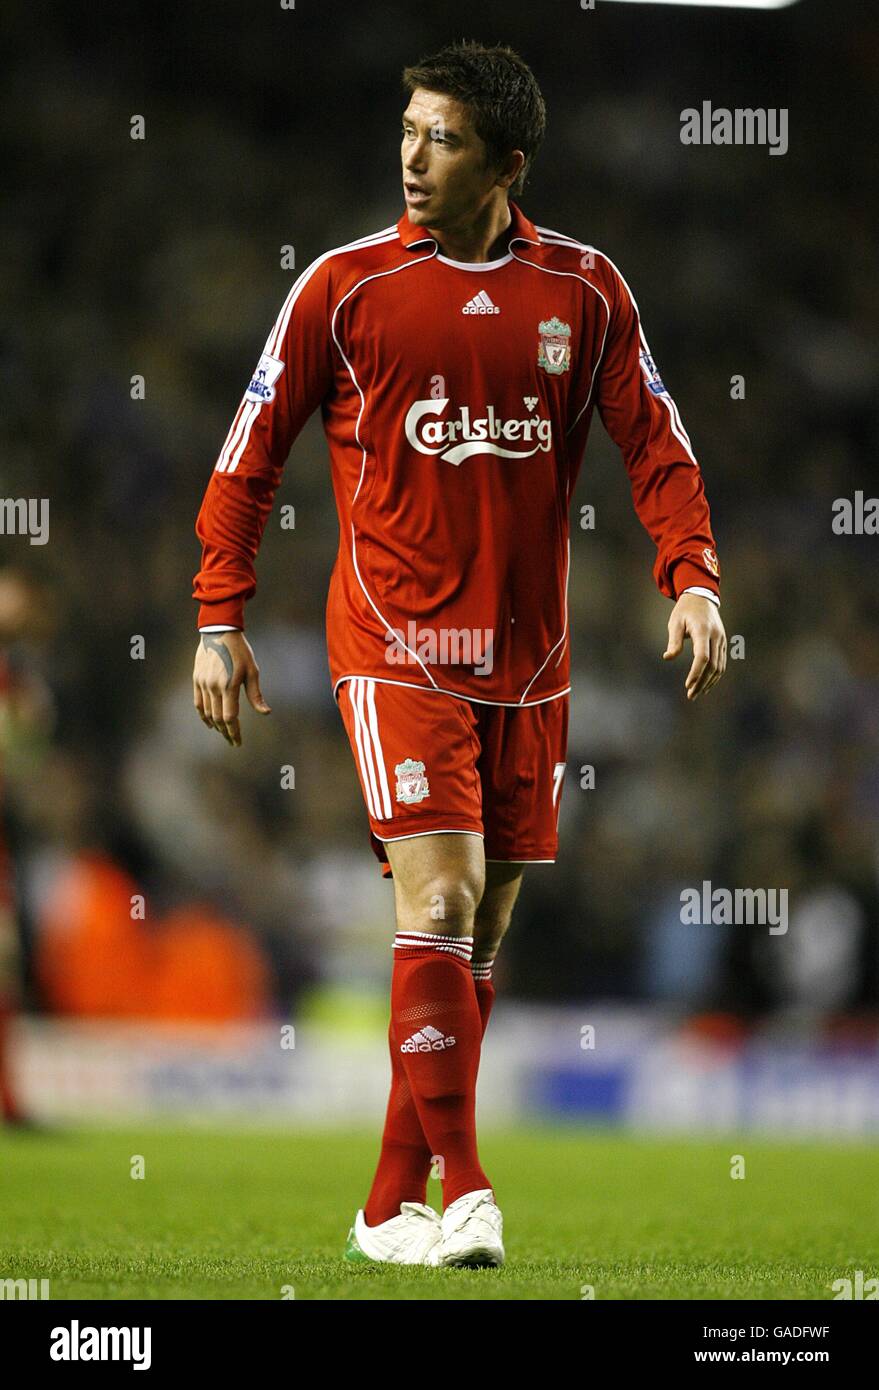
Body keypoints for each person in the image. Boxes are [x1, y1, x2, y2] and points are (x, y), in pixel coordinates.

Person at [192, 41, 726, 1268]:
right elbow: (248, 454)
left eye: (443, 138)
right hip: (395, 642)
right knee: (437, 899)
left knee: (474, 944)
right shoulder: (343, 286)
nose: (412, 156)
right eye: (408, 129)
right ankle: (471, 1187)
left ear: (508, 163)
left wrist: (692, 576)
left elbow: (658, 444)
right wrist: (220, 615)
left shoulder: (585, 292)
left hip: (530, 663)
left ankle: (386, 1206)